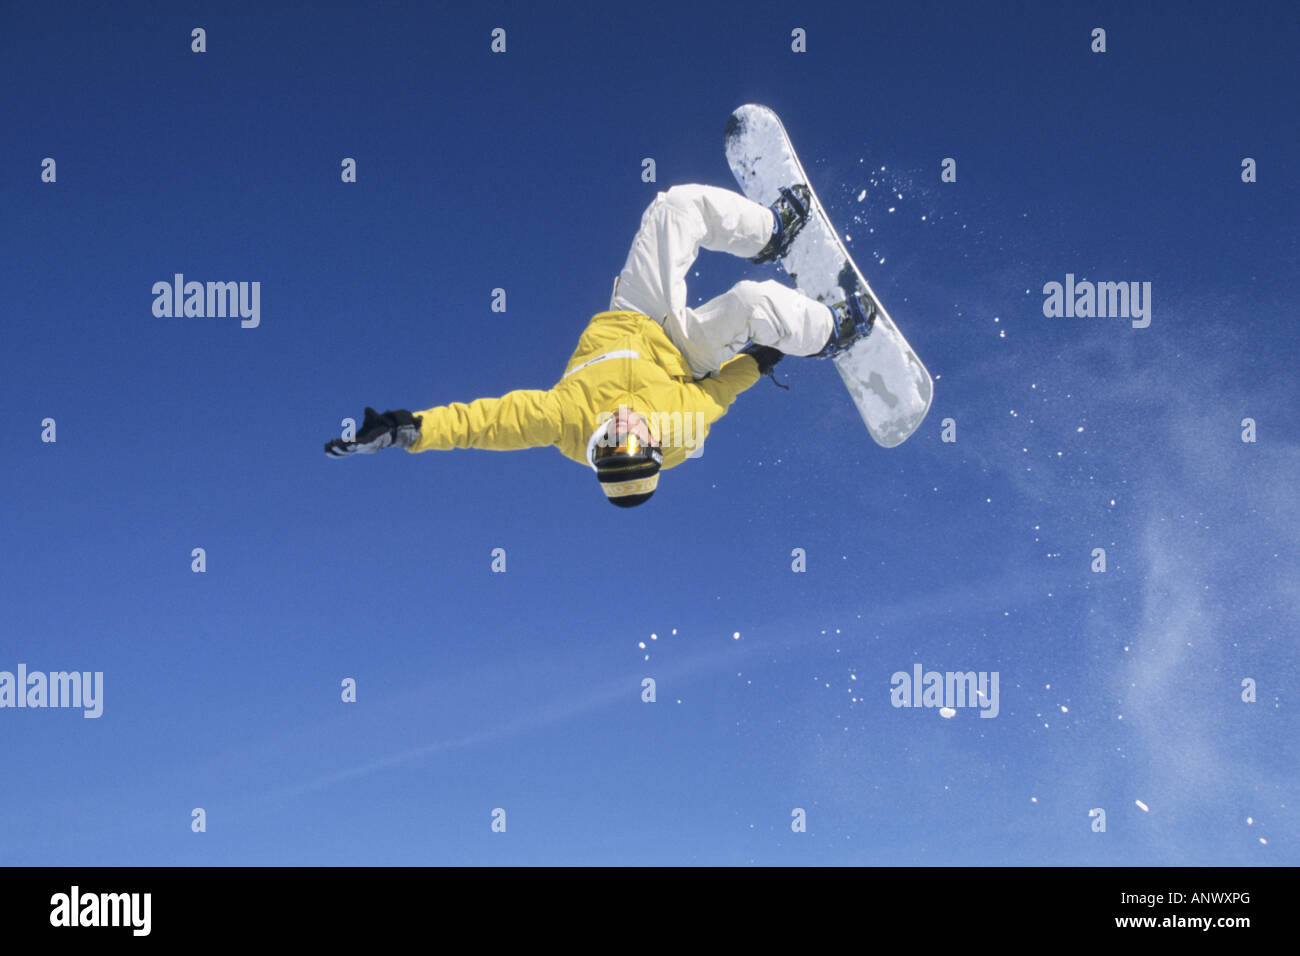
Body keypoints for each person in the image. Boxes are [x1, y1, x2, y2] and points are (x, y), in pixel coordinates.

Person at [324, 183, 875, 507]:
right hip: (687, 355)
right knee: (755, 304)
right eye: (637, 441)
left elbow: (487, 424)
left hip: (633, 312)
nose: (626, 428)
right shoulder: (679, 431)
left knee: (673, 206)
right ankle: (835, 331)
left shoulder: (566, 420)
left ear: (601, 448)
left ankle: (771, 231)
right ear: (653, 451)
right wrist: (758, 359)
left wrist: (408, 428)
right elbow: (719, 394)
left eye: (614, 441)